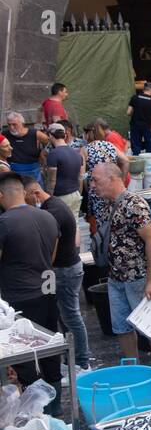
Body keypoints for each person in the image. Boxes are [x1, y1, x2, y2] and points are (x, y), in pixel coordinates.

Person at [89, 162, 151, 393]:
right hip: (116, 277)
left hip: (138, 277)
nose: (92, 185)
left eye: (96, 180)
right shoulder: (109, 205)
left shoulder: (134, 204)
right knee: (121, 327)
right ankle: (135, 374)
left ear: (112, 178)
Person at [0, 173, 63, 404]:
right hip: (47, 288)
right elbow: (52, 256)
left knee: (23, 352)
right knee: (50, 345)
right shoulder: (47, 217)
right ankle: (55, 404)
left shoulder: (4, 223)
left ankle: (36, 407)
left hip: (19, 295)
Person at [22, 178, 89, 370]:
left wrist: (42, 269)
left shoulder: (53, 211)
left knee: (70, 317)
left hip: (64, 271)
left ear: (34, 193)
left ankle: (82, 364)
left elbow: (50, 247)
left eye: (25, 198)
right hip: (58, 270)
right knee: (61, 315)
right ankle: (71, 362)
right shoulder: (51, 206)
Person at [42, 124, 84, 217]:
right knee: (74, 225)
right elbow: (80, 177)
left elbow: (52, 181)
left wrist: (49, 198)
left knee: (60, 226)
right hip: (75, 194)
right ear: (64, 135)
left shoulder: (53, 154)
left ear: (50, 136)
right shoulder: (77, 153)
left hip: (61, 196)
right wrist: (79, 193)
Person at [3, 112, 49, 181]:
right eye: (9, 125)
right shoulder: (5, 134)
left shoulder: (34, 133)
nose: (11, 127)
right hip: (13, 170)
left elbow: (50, 142)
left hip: (33, 171)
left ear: (22, 124)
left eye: (14, 124)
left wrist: (43, 152)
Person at [126, 82, 151, 155]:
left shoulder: (135, 97)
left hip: (135, 125)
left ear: (143, 89)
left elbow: (128, 112)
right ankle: (150, 163)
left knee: (136, 147)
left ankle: (136, 163)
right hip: (147, 127)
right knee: (150, 146)